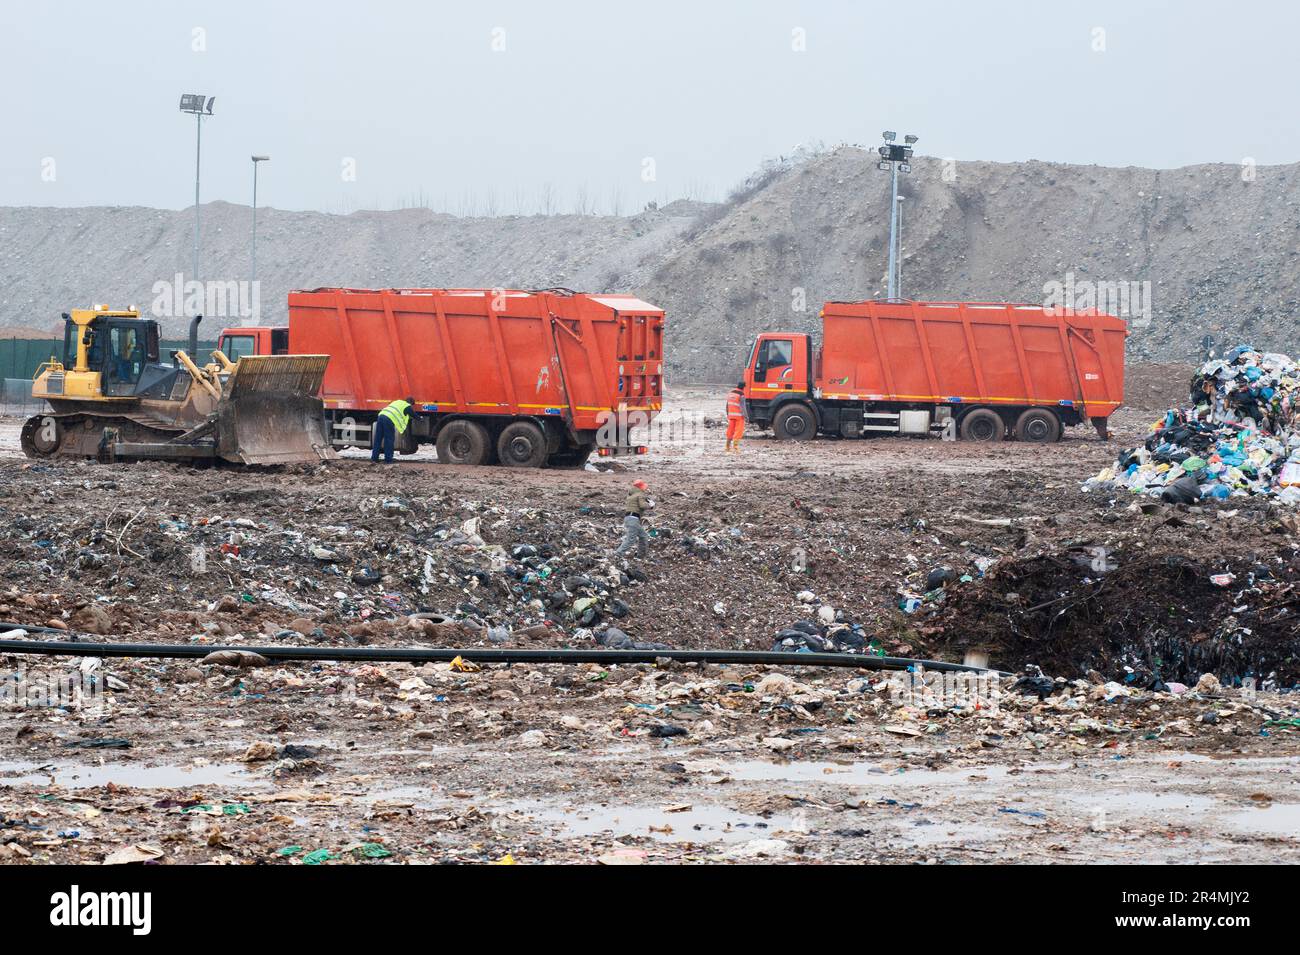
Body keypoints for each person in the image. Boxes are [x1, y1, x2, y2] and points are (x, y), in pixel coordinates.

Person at [615, 479, 651, 558]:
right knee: (631, 539)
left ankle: (641, 556)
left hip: (629, 518)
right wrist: (650, 505)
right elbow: (642, 505)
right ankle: (618, 554)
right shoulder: (640, 494)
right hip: (633, 519)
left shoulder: (631, 495)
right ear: (641, 487)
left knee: (643, 536)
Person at [372, 396, 414, 464]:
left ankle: (374, 458)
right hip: (388, 420)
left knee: (378, 439)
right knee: (389, 440)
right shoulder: (407, 406)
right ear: (411, 403)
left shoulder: (397, 401)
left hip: (380, 416)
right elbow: (413, 414)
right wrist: (420, 418)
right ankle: (388, 460)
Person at [725, 382, 746, 452]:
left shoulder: (731, 393)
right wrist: (746, 416)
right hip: (739, 416)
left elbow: (727, 405)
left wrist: (728, 413)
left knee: (730, 430)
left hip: (731, 415)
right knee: (738, 431)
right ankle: (735, 447)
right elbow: (743, 407)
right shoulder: (741, 395)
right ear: (743, 387)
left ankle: (727, 446)